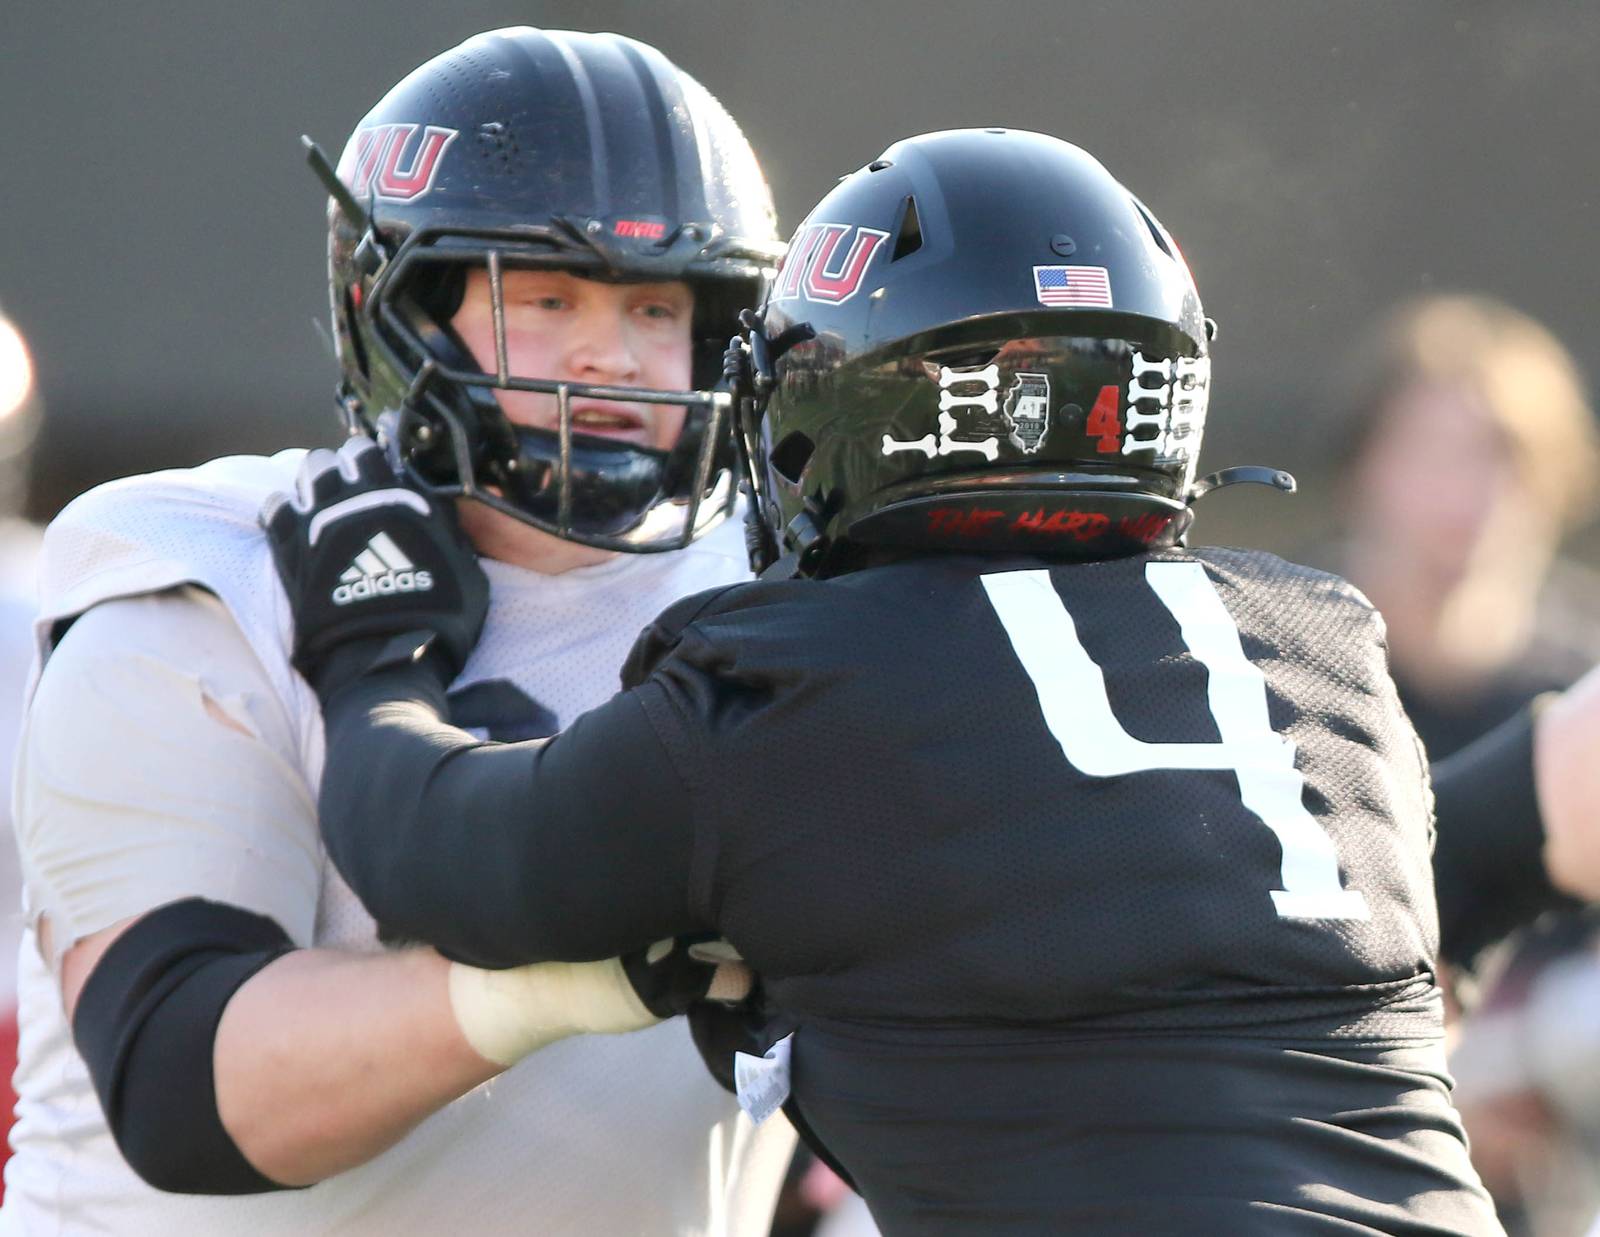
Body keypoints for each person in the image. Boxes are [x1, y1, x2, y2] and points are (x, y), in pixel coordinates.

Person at [263, 128, 1503, 1234]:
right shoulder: (1329, 637)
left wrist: (374, 643)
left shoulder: (791, 683)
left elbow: (435, 854)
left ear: (833, 402)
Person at [3, 27, 796, 1233]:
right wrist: (575, 968)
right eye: (545, 296)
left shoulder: (790, 592)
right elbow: (181, 1083)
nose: (612, 355)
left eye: (655, 304)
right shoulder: (216, 580)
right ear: (402, 310)